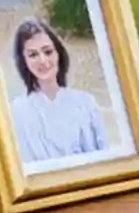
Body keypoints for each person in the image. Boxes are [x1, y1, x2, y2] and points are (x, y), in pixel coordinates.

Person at [8, 18, 109, 164]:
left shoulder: (86, 103)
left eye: (48, 52)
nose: (43, 60)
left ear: (58, 54)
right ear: (24, 61)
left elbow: (105, 156)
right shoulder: (17, 111)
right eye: (33, 55)